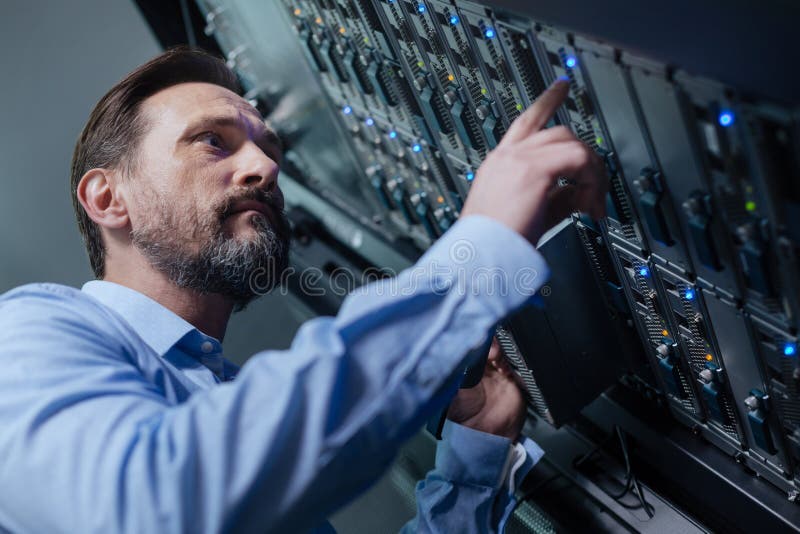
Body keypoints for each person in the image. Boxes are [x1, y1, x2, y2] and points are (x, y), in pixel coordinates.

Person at [0, 47, 606, 533]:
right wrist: (476, 256)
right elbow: (150, 510)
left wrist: (477, 451)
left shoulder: (227, 402)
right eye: (214, 140)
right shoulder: (27, 332)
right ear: (108, 199)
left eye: (268, 147)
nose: (265, 167)